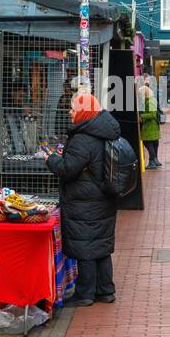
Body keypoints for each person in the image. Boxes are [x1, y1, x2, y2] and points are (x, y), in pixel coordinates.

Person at [44, 92, 120, 307]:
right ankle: (105, 291)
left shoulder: (83, 138)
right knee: (101, 247)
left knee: (85, 248)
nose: (69, 112)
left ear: (83, 111)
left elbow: (68, 169)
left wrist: (50, 159)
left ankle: (85, 294)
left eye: (73, 108)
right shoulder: (106, 132)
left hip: (83, 200)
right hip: (103, 197)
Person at [138, 80, 161, 169]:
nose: (140, 96)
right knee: (154, 143)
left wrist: (141, 116)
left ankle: (153, 161)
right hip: (153, 125)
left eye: (140, 94)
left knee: (148, 142)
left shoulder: (150, 101)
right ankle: (155, 160)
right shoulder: (151, 99)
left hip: (150, 125)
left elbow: (152, 114)